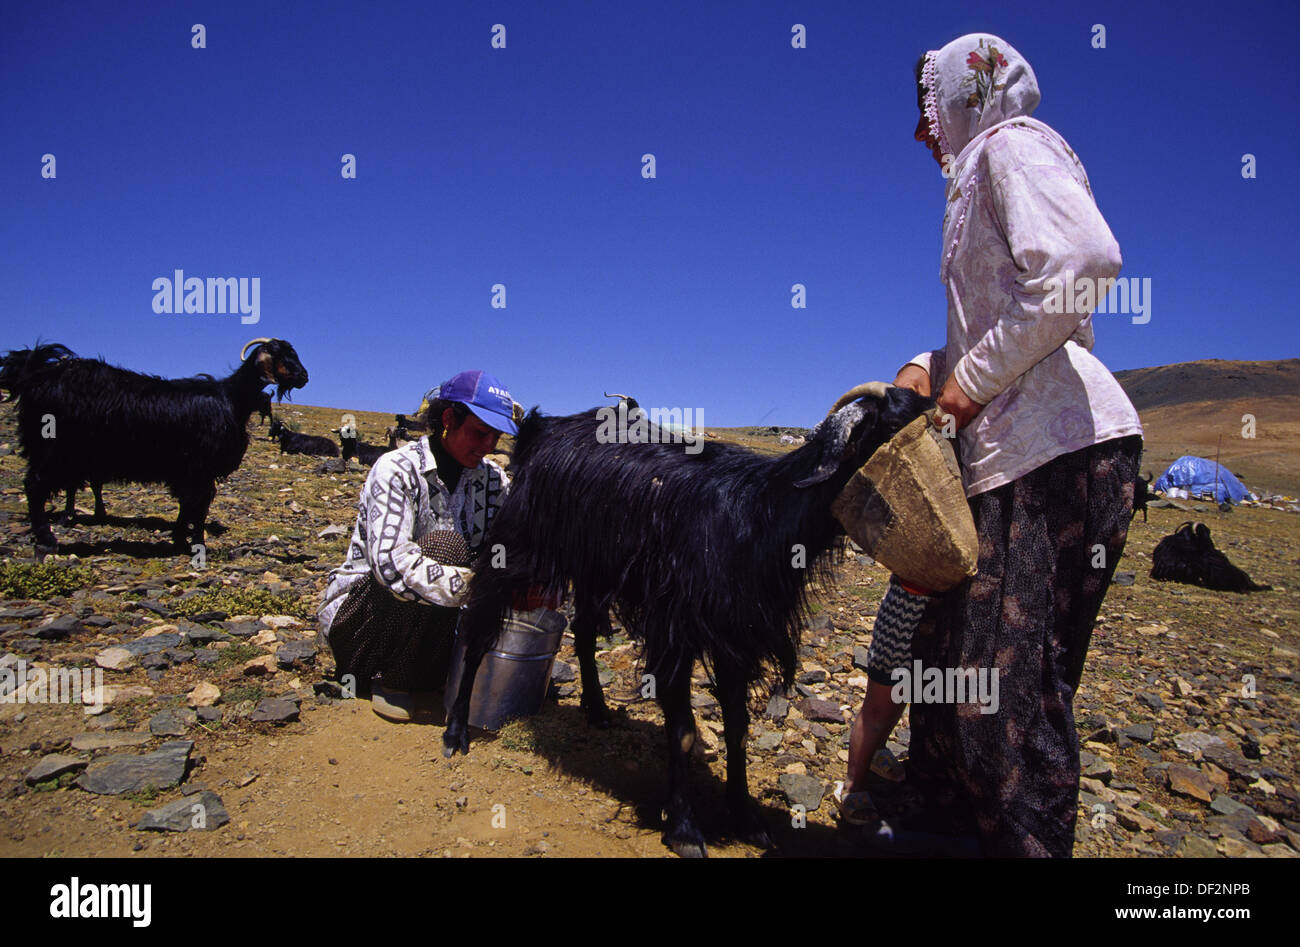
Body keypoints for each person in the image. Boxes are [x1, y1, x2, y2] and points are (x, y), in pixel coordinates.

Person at [880, 34, 1143, 856]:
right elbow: (1004, 313)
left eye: (927, 112)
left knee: (1005, 695)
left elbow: (1081, 263)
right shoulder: (976, 179)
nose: (921, 133)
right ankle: (943, 825)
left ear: (967, 95)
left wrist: (965, 389)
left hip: (1053, 455)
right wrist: (933, 368)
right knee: (950, 663)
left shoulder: (1010, 146)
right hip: (1013, 455)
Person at [317, 370, 518, 722]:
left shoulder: (491, 480)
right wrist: (484, 588)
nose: (489, 445)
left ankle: (432, 674)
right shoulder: (396, 469)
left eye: (496, 435)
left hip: (434, 630)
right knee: (445, 548)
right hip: (365, 629)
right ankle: (390, 680)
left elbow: (514, 537)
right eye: (480, 432)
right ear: (447, 419)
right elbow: (392, 566)